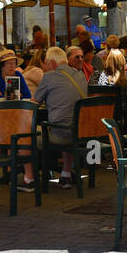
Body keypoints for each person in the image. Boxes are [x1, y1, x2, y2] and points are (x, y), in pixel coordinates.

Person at [33, 47, 88, 189]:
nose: (44, 67)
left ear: (52, 62)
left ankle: (30, 177)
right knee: (66, 120)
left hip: (60, 133)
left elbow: (34, 103)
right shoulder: (80, 75)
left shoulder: (49, 76)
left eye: (45, 63)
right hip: (81, 132)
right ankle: (65, 174)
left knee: (28, 133)